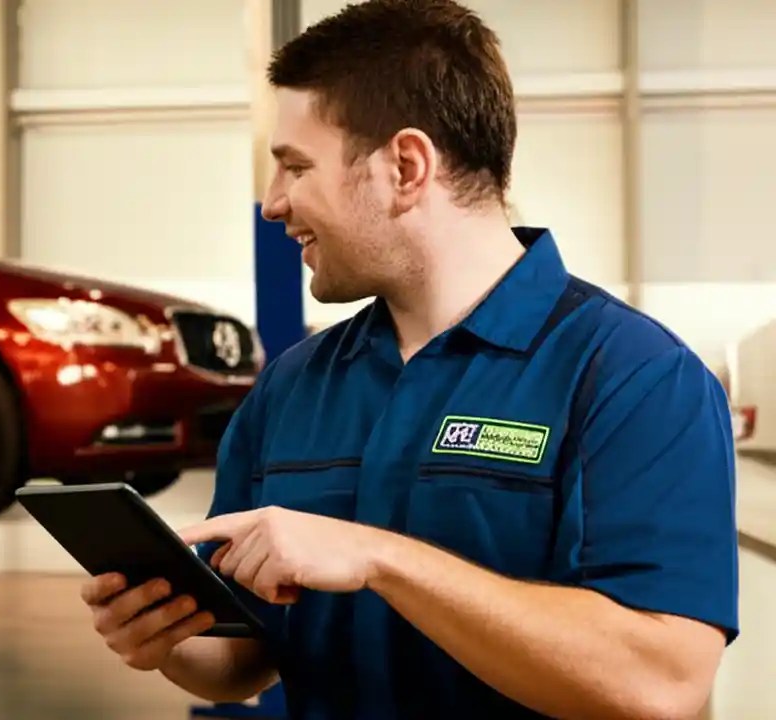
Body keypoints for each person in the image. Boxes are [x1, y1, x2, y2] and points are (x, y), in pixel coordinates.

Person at [80, 1, 739, 718]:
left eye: (296, 167)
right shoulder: (295, 385)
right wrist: (166, 637)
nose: (272, 204)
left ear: (406, 166)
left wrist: (380, 559)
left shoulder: (638, 379)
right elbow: (243, 659)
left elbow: (661, 684)